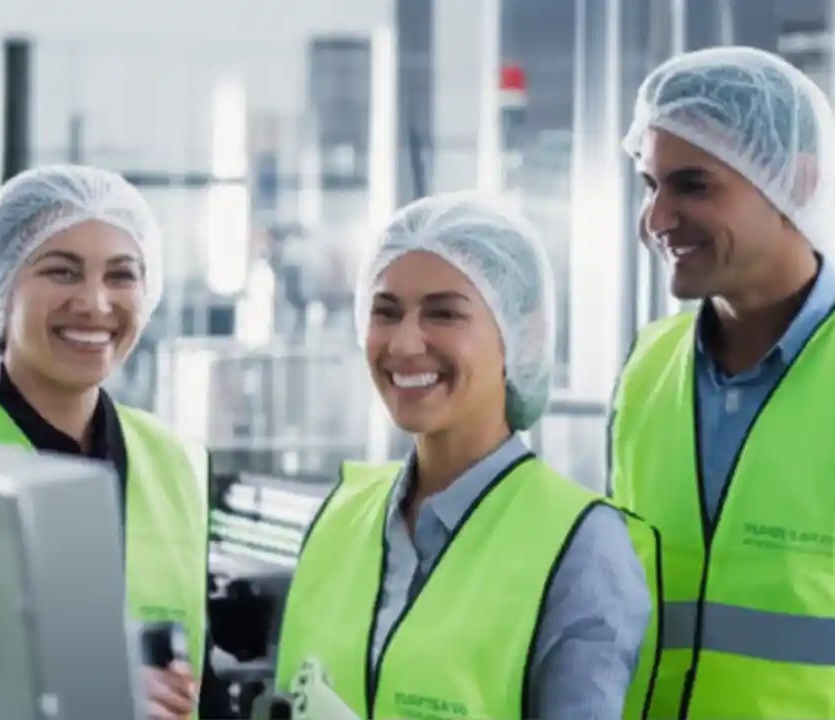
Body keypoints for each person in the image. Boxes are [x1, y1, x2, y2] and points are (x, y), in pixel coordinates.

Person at [609, 46, 835, 719]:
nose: (656, 218)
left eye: (693, 184)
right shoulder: (646, 370)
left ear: (789, 181)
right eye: (650, 184)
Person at [0, 165, 230, 720]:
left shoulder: (177, 463)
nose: (96, 304)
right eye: (62, 271)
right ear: (0, 288)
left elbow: (204, 684)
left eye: (122, 276)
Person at [274, 192, 663, 719]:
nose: (405, 343)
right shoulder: (340, 516)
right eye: (386, 312)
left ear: (521, 336)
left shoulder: (582, 547)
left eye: (444, 313)